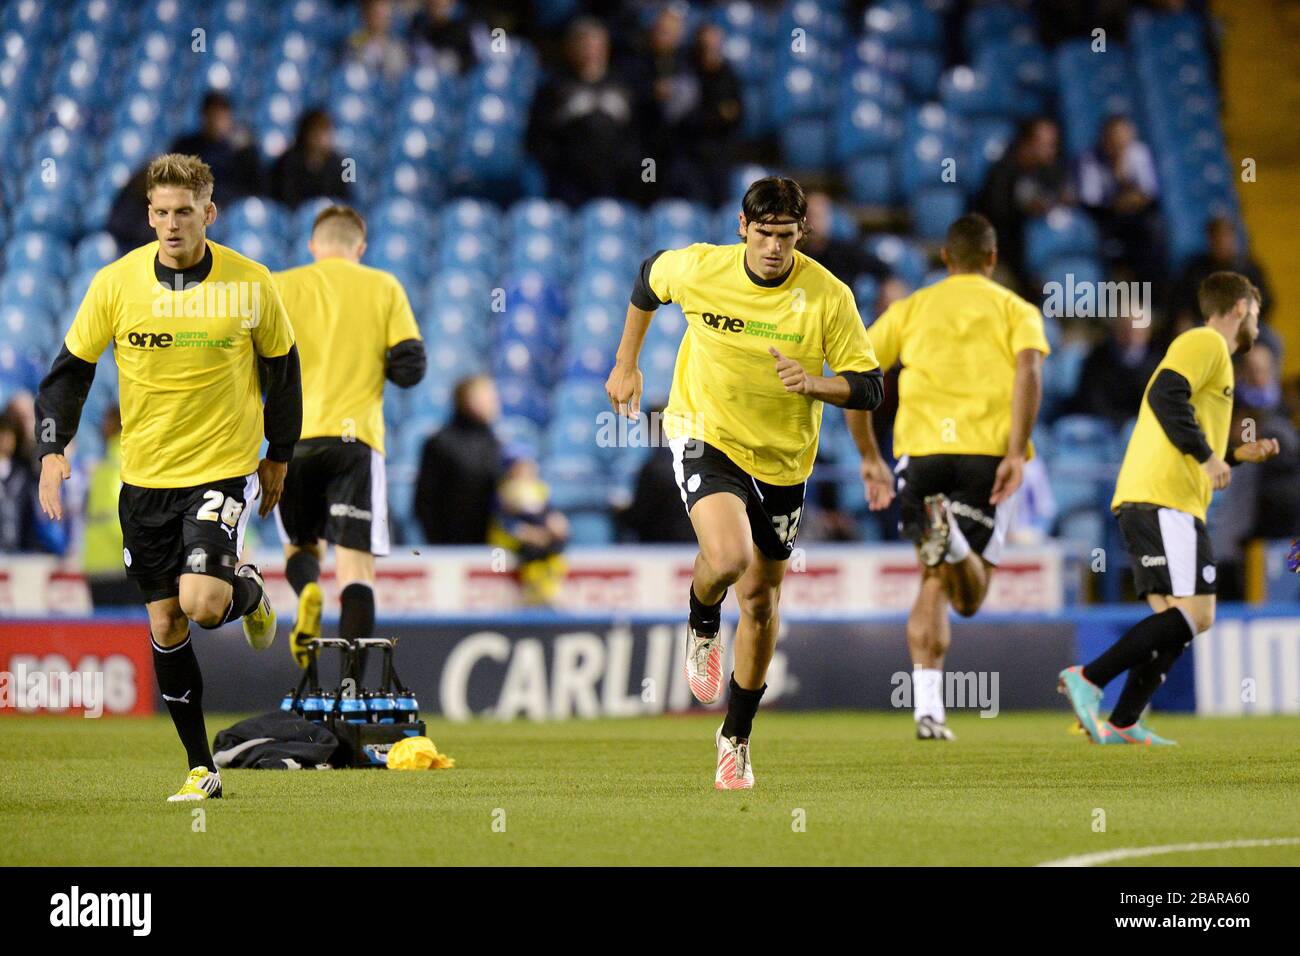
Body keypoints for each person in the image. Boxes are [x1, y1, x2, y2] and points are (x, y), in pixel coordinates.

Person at [33, 153, 302, 801]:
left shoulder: (251, 284)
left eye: (185, 212)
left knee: (202, 604)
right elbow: (70, 370)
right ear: (148, 216)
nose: (173, 224)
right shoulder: (117, 284)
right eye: (161, 213)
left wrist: (279, 453)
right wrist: (52, 448)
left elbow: (285, 372)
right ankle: (200, 768)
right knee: (164, 625)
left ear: (209, 213)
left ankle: (244, 592)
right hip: (144, 482)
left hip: (220, 470)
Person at [605, 177, 883, 789]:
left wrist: (817, 385)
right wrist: (627, 363)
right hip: (706, 431)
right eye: (764, 235)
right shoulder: (703, 268)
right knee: (728, 559)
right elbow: (649, 276)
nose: (775, 248)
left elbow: (870, 384)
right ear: (743, 228)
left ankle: (735, 737)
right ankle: (702, 618)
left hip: (784, 459)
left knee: (761, 601)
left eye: (787, 236)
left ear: (801, 234)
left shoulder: (827, 296)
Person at [847, 213, 1051, 741]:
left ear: (944, 258)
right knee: (969, 598)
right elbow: (1029, 370)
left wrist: (869, 457)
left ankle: (928, 711)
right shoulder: (1016, 309)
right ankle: (957, 542)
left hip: (922, 455)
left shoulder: (911, 308)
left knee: (932, 579)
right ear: (991, 257)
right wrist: (1014, 452)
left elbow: (858, 376)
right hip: (985, 454)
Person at [1059, 272, 1279, 745]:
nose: (1258, 328)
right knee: (1199, 615)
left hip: (1162, 499)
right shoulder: (1207, 342)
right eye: (1256, 315)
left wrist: (1237, 454)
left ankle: (1123, 721)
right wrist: (1208, 456)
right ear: (1240, 308)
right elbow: (1163, 396)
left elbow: (1186, 424)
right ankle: (1089, 677)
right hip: (1164, 501)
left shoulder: (1210, 355)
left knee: (1174, 624)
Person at [272, 206, 425, 667]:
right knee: (356, 567)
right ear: (360, 248)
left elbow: (251, 358)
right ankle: (351, 685)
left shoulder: (281, 286)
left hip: (292, 441)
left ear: (313, 246)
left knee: (301, 547)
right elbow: (411, 365)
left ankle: (308, 591)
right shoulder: (383, 286)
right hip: (355, 442)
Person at [525, 18, 643, 206]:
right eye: (584, 45)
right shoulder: (555, 88)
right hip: (570, 182)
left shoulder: (623, 87)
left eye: (596, 45)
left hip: (616, 181)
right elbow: (539, 137)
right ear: (571, 48)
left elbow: (637, 135)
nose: (591, 51)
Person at [975, 117, 1072, 283]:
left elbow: (1061, 197)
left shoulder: (1050, 171)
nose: (1051, 150)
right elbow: (995, 214)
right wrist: (1025, 210)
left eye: (1053, 144)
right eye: (1046, 144)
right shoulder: (1001, 172)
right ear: (1026, 143)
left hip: (1038, 253)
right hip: (1002, 256)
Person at [415, 375, 503, 544]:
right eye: (490, 398)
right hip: (450, 546)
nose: (496, 404)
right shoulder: (440, 443)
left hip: (490, 545)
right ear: (470, 400)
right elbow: (424, 502)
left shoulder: (495, 443)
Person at [1077, 115, 1164, 283]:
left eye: (1123, 138)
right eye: (1113, 139)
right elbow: (1091, 199)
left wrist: (1129, 194)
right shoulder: (1090, 159)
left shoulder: (1139, 153)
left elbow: (1149, 192)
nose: (1118, 144)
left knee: (1153, 231)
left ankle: (1151, 292)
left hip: (1137, 215)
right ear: (1105, 139)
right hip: (1105, 216)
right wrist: (1121, 199)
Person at [488, 451, 569, 606]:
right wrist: (528, 534)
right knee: (532, 552)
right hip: (514, 539)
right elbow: (506, 524)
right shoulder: (505, 492)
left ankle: (551, 589)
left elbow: (550, 513)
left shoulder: (540, 488)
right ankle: (535, 592)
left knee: (555, 548)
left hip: (541, 535)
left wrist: (556, 523)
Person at [1066, 309, 1160, 427]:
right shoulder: (1097, 357)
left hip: (1137, 424)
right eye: (1127, 329)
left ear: (1147, 332)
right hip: (1098, 422)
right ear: (1116, 328)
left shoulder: (1157, 364)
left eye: (1137, 331)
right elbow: (1090, 397)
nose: (1131, 335)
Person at [82, 405, 136, 606]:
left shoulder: (105, 465)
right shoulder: (128, 464)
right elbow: (120, 517)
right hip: (120, 567)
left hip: (98, 565)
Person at [168, 91, 263, 205]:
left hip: (231, 210)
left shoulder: (242, 152)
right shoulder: (185, 147)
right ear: (203, 116)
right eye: (212, 115)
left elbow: (255, 190)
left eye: (221, 116)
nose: (216, 121)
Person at [799, 190, 889, 288]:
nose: (813, 223)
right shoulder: (793, 255)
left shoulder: (845, 252)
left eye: (819, 216)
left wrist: (888, 286)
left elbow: (882, 270)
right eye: (809, 216)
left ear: (829, 218)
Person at [268, 110, 350, 209]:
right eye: (318, 132)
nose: (324, 139)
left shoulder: (343, 163)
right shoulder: (287, 162)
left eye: (327, 132)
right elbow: (285, 199)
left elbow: (346, 198)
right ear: (307, 134)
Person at [348, 0, 409, 83]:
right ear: (366, 13)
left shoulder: (398, 47)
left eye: (386, 9)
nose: (383, 14)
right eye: (377, 9)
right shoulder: (355, 44)